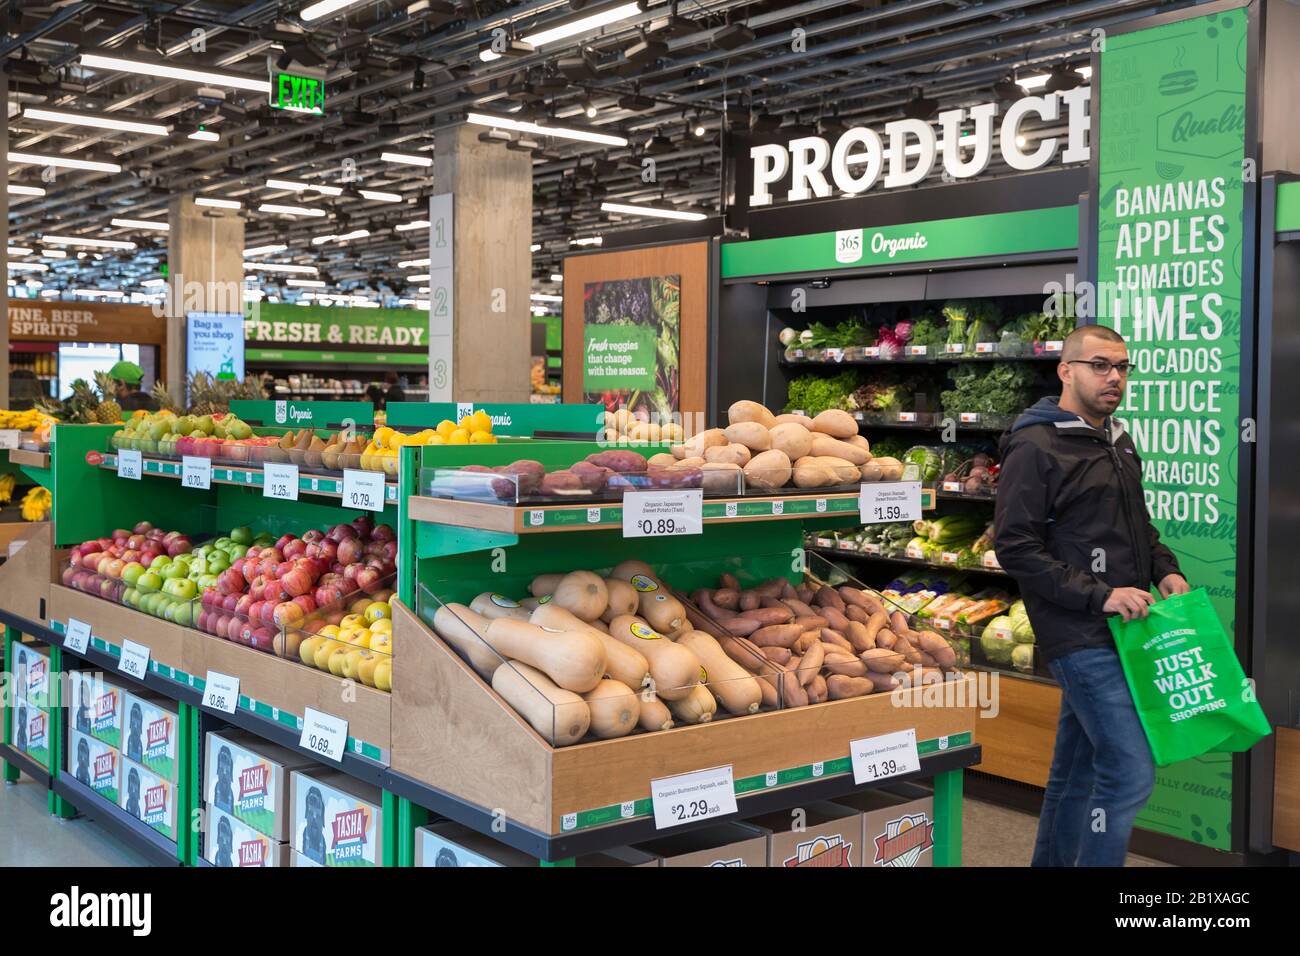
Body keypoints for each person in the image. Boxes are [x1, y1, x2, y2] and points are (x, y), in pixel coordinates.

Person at [993, 324, 1190, 868]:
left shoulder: (1116, 440)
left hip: (1126, 631)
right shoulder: (1036, 444)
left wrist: (1165, 570)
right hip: (1078, 633)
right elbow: (1015, 547)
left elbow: (1136, 528)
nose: (1114, 377)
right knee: (1129, 769)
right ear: (1066, 369)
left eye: (1123, 367)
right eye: (1100, 365)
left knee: (1075, 772)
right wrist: (1099, 594)